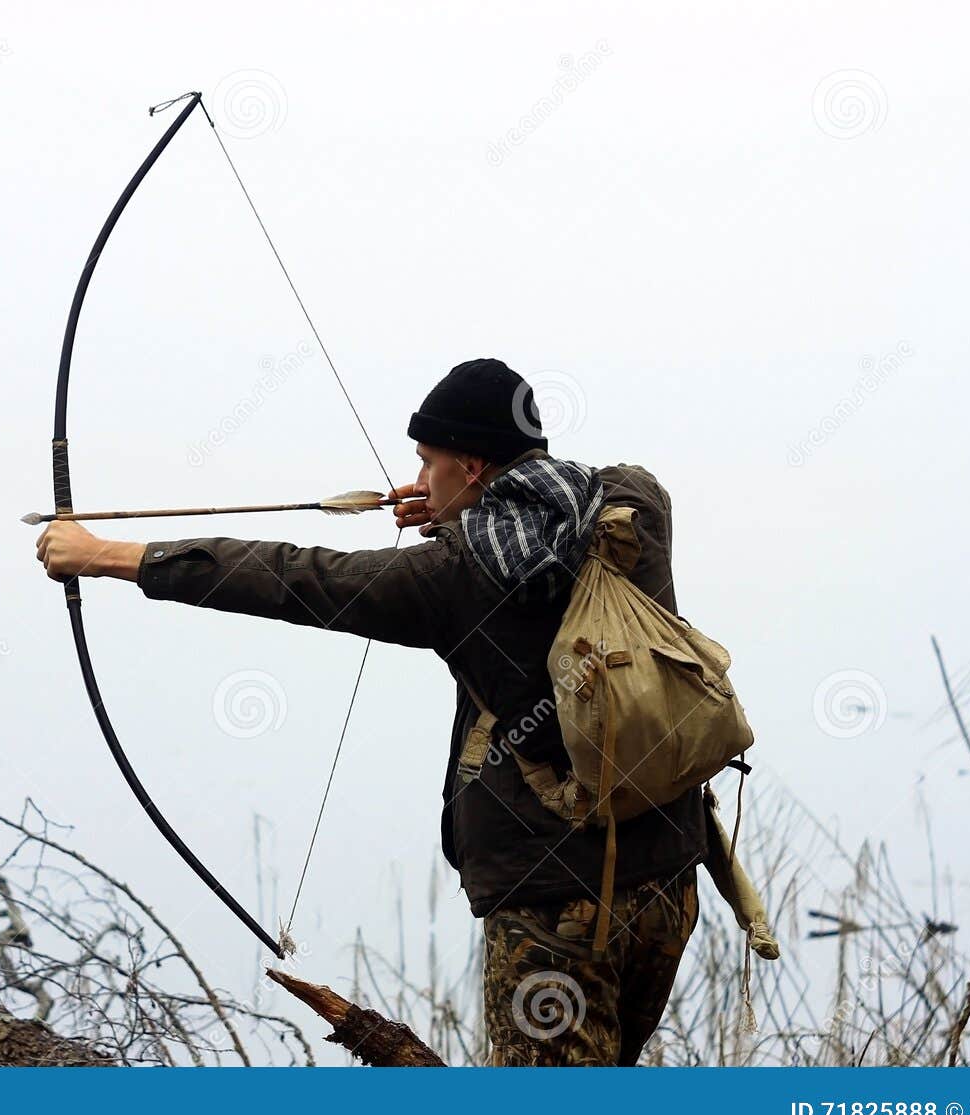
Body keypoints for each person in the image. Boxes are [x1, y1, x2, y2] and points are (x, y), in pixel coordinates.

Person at [35, 356, 707, 1065]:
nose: (417, 477)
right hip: (667, 878)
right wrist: (469, 504)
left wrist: (106, 555)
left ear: (472, 465)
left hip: (553, 903)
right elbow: (570, 490)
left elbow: (293, 577)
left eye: (428, 462)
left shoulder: (454, 576)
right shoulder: (635, 509)